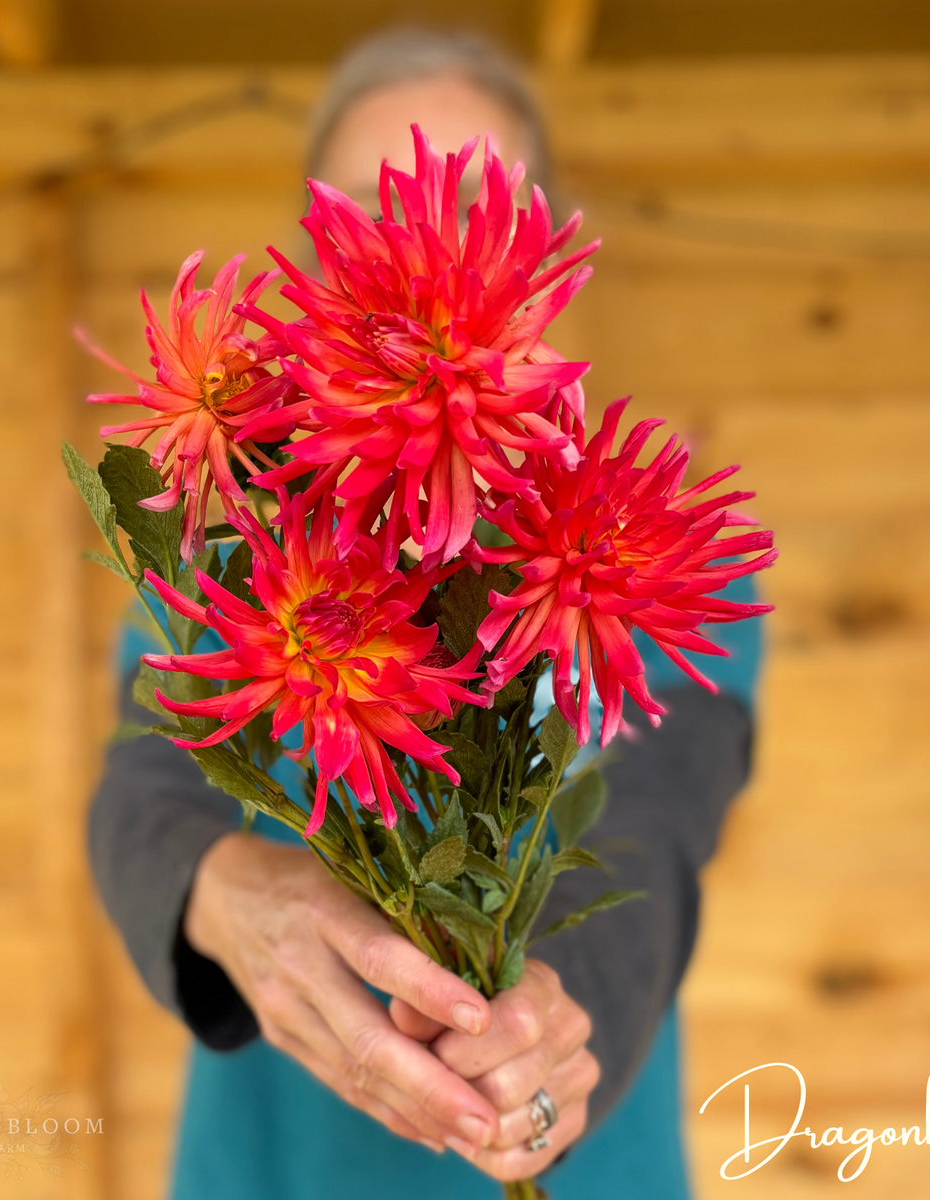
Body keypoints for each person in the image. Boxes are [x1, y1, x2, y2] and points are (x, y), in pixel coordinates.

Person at [88, 28, 762, 1200]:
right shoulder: (222, 547)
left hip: (584, 1152)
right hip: (275, 1170)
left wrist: (558, 1017)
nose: (418, 245)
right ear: (309, 254)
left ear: (543, 248)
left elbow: (649, 833)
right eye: (368, 207)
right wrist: (227, 888)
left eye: (468, 200)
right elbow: (143, 791)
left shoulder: (660, 548)